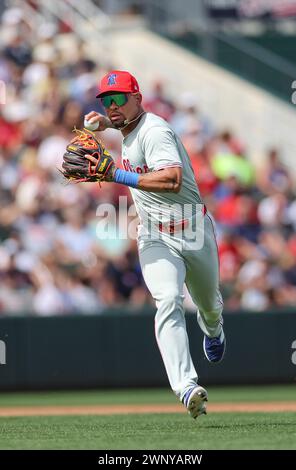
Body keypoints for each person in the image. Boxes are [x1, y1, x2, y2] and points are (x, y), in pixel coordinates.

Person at [84, 70, 225, 419]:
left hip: (193, 229)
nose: (113, 106)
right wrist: (106, 123)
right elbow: (127, 125)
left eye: (120, 99)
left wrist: (116, 174)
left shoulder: (156, 130)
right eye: (106, 100)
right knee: (167, 300)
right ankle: (187, 387)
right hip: (153, 233)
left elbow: (173, 179)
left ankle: (214, 328)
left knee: (209, 306)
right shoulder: (128, 125)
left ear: (139, 98)